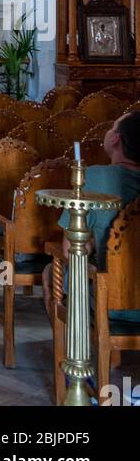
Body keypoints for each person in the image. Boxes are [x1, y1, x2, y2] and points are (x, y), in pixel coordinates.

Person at [44, 110, 140, 326]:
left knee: (51, 271)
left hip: (115, 301)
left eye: (112, 127)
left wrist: (95, 242)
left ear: (115, 139)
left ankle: (69, 349)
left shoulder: (95, 178)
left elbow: (71, 249)